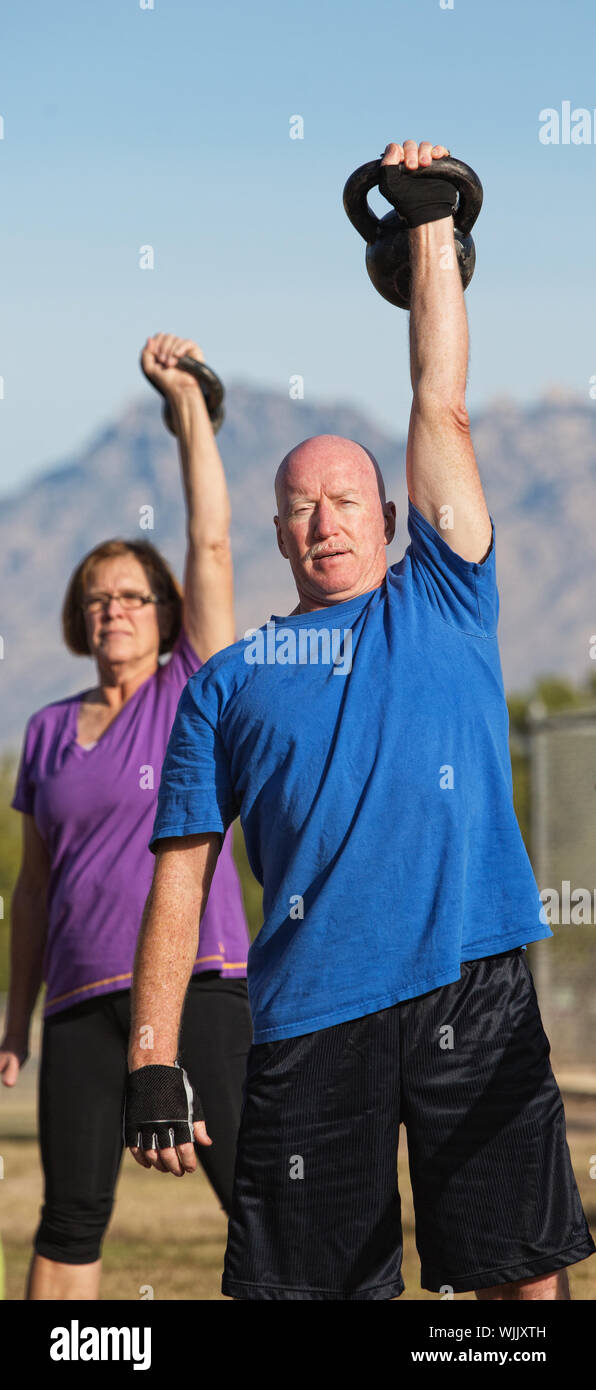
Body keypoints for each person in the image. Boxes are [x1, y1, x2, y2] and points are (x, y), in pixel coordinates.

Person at [125, 145, 595, 1301]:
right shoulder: (227, 683)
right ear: (279, 537)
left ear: (387, 517)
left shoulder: (441, 592)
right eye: (300, 509)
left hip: (468, 985)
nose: (325, 521)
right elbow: (181, 879)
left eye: (345, 501)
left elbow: (436, 397)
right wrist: (150, 1060)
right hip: (311, 1019)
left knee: (519, 1281)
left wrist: (428, 220)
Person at [1, 333, 252, 1301]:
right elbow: (32, 890)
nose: (113, 610)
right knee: (67, 1219)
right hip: (75, 1007)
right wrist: (14, 1020)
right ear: (78, 615)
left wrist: (187, 405)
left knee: (256, 1197)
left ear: (167, 613)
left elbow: (213, 542)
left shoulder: (191, 685)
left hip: (200, 985)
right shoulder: (47, 730)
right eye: (97, 597)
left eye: (133, 596)